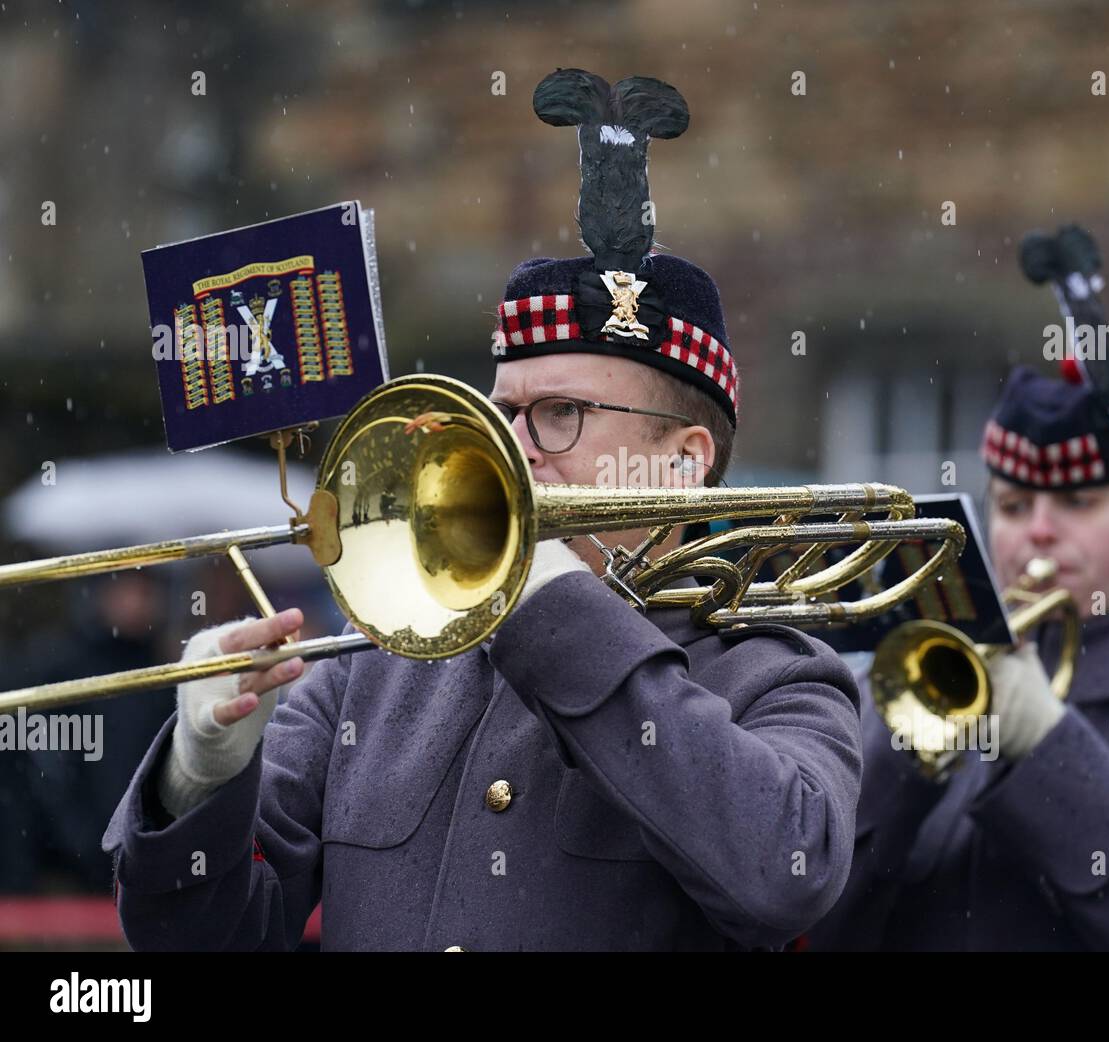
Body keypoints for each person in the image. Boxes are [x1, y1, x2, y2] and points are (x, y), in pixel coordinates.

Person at [101, 68, 863, 952]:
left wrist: (552, 604)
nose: (512, 446)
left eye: (561, 415)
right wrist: (203, 770)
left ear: (683, 461)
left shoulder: (773, 675)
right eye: (501, 410)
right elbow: (202, 940)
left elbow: (785, 876)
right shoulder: (376, 668)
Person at [806, 225, 1109, 951]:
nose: (1036, 531)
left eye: (1077, 503)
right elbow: (809, 926)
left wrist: (1047, 743)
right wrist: (899, 753)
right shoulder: (914, 698)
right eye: (1011, 506)